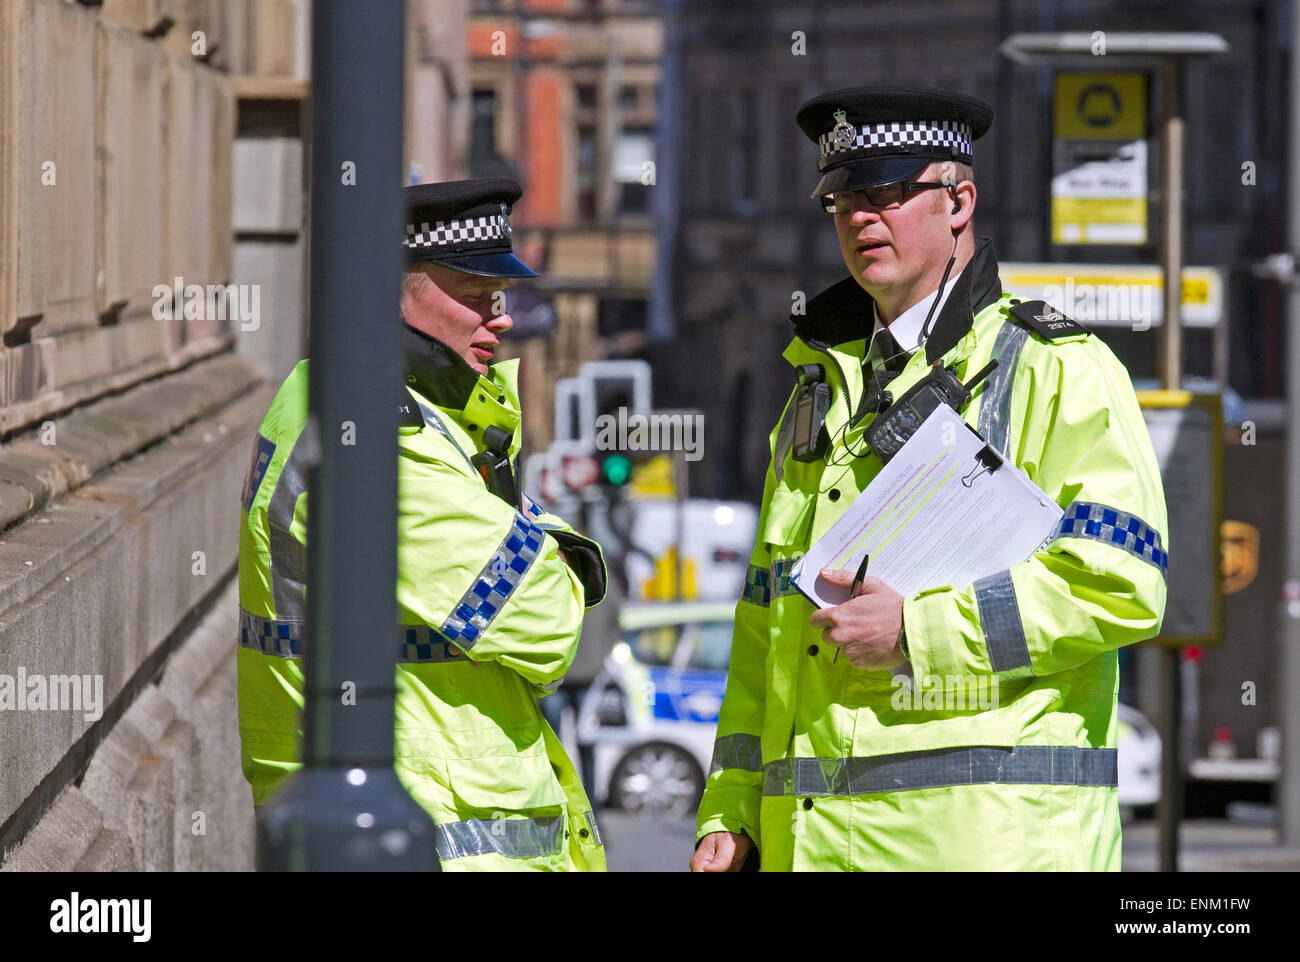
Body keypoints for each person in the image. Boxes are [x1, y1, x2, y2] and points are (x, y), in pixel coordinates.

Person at [692, 86, 1168, 872]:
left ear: (959, 202)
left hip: (985, 851)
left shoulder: (1057, 369)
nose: (858, 217)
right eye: (842, 198)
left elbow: (1123, 581)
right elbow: (763, 627)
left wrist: (918, 633)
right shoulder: (812, 395)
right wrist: (732, 805)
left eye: (886, 193)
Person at [237, 178, 609, 871]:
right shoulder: (371, 431)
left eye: (497, 298)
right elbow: (551, 626)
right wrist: (546, 546)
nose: (497, 319)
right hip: (420, 835)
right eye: (471, 297)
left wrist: (525, 534)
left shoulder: (367, 402)